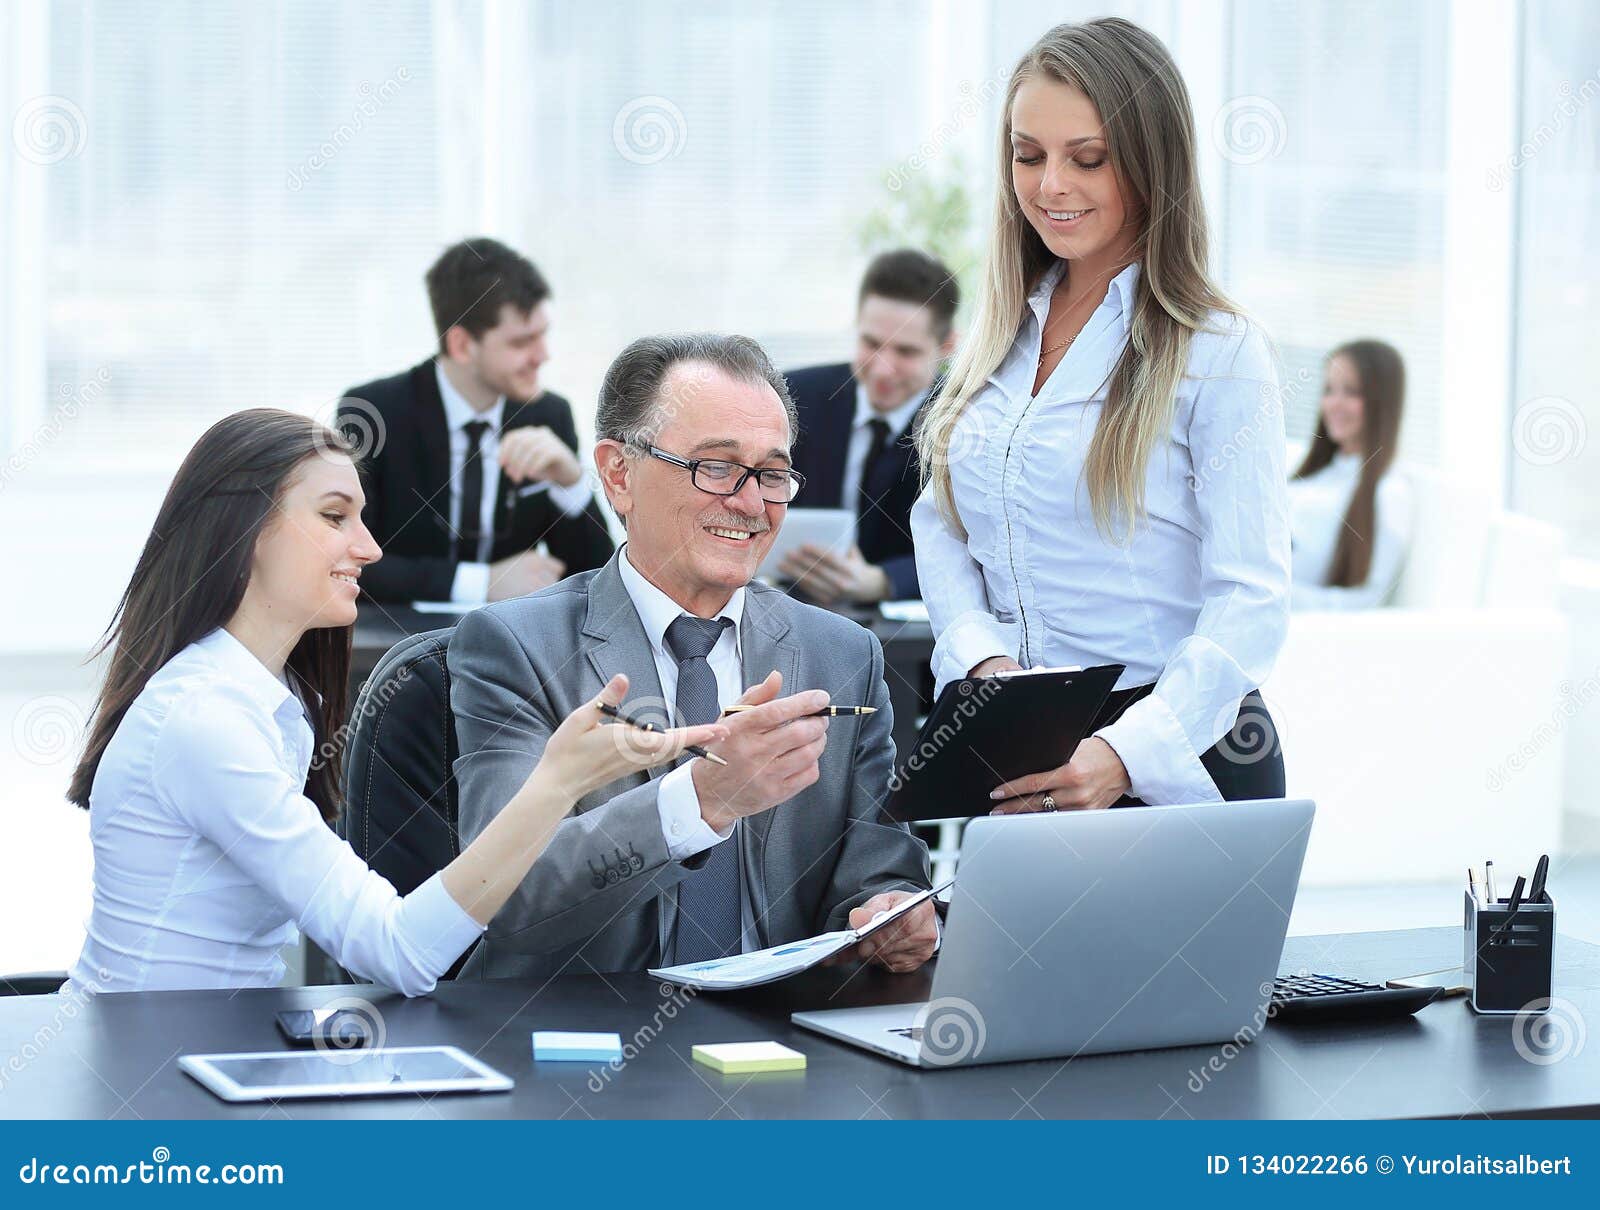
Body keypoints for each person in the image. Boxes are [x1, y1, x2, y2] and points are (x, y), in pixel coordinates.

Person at [61, 409, 722, 996]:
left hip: (210, 1057)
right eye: (333, 516)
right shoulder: (205, 721)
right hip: (146, 1080)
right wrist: (555, 784)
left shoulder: (276, 701)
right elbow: (398, 952)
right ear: (248, 531)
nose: (369, 548)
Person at [447, 333, 937, 979]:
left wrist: (889, 912)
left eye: (772, 473)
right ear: (618, 474)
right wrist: (701, 802)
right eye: (716, 466)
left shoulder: (843, 654)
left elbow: (875, 868)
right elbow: (503, 894)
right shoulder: (515, 649)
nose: (752, 503)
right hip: (585, 1050)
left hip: (783, 1045)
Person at [911, 18, 1291, 813]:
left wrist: (1124, 753)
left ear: (1152, 166)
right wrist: (984, 668)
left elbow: (1250, 599)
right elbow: (941, 521)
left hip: (1175, 749)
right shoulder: (1001, 335)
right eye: (1028, 155)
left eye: (1087, 158)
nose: (1050, 185)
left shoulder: (1218, 352)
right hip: (1023, 739)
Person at [339, 238, 613, 605]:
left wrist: (572, 483)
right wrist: (481, 582)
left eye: (542, 335)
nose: (542, 356)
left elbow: (597, 579)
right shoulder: (373, 410)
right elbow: (347, 560)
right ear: (462, 346)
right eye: (521, 342)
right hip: (394, 643)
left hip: (510, 648)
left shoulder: (548, 414)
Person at [779, 249, 959, 603]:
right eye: (871, 344)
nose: (882, 370)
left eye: (905, 352)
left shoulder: (968, 418)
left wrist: (883, 582)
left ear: (946, 346)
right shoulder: (792, 396)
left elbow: (980, 551)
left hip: (915, 647)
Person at [1289, 340, 1412, 609]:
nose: (1334, 404)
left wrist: (1275, 596)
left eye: (1351, 392)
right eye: (1329, 390)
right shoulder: (1316, 472)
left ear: (1382, 402)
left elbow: (1366, 602)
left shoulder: (1387, 492)